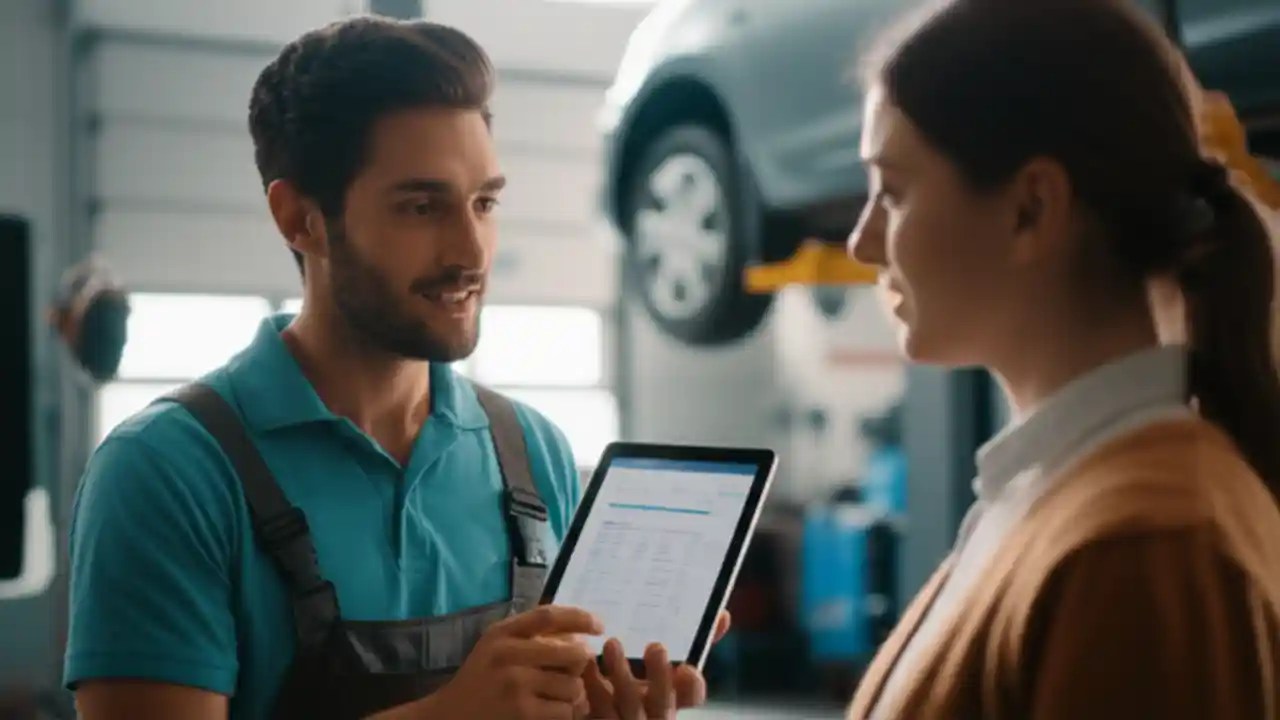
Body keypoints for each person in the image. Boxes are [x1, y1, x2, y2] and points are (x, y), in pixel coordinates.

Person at [63, 17, 723, 720]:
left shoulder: (532, 455)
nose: (471, 251)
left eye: (485, 202)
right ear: (299, 219)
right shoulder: (166, 473)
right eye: (421, 206)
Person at [842, 0, 1280, 718]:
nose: (862, 244)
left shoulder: (1146, 543)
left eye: (892, 192)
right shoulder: (1052, 497)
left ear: (1031, 209)